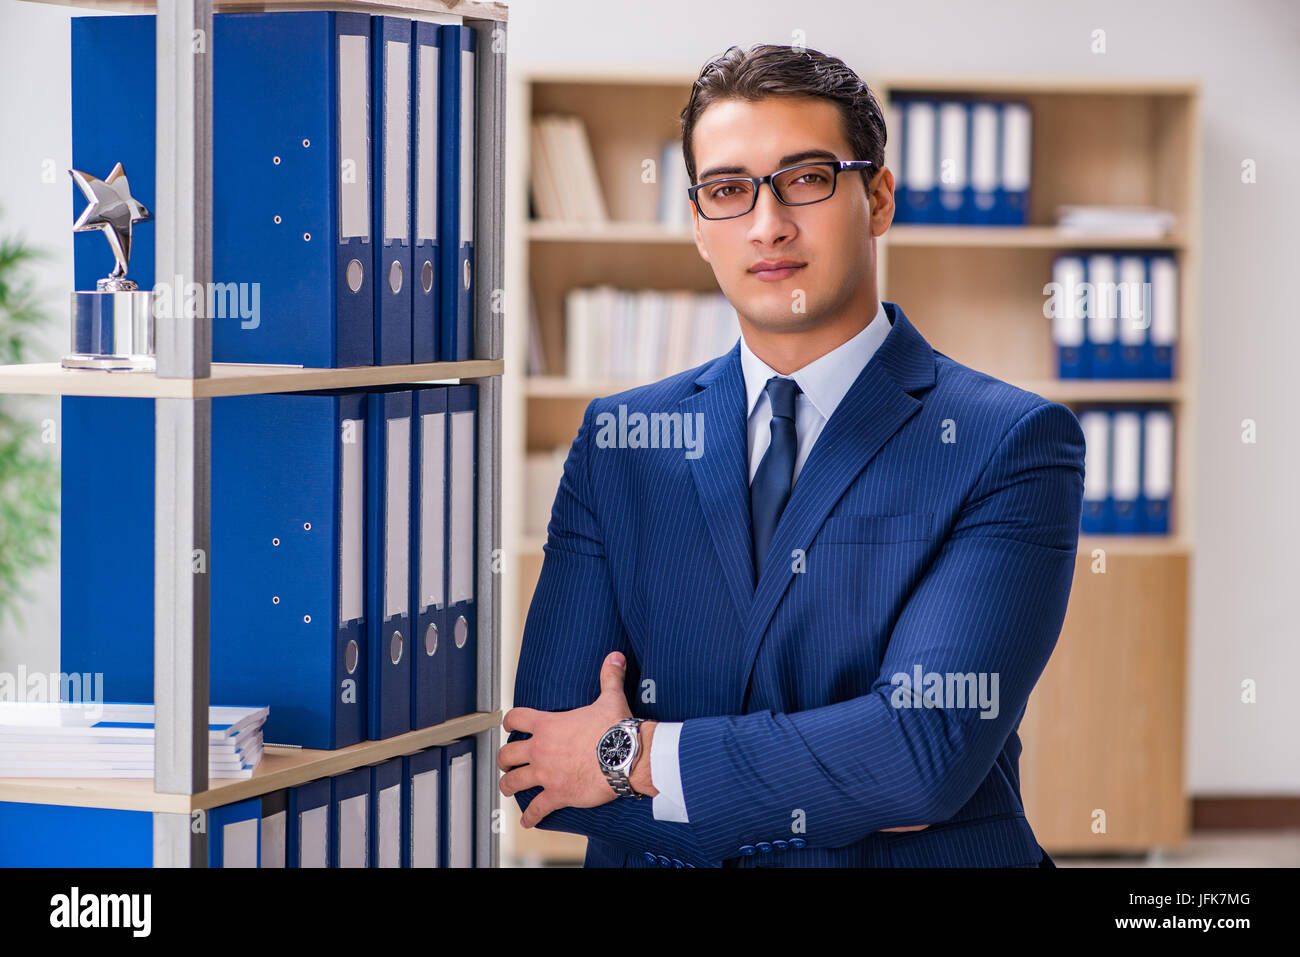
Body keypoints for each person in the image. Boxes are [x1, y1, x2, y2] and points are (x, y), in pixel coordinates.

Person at [498, 42, 1084, 868]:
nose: (768, 223)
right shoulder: (619, 442)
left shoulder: (1009, 441)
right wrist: (846, 789)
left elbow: (917, 758)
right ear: (700, 225)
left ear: (877, 196)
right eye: (729, 191)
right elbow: (542, 768)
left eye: (806, 179)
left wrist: (628, 760)